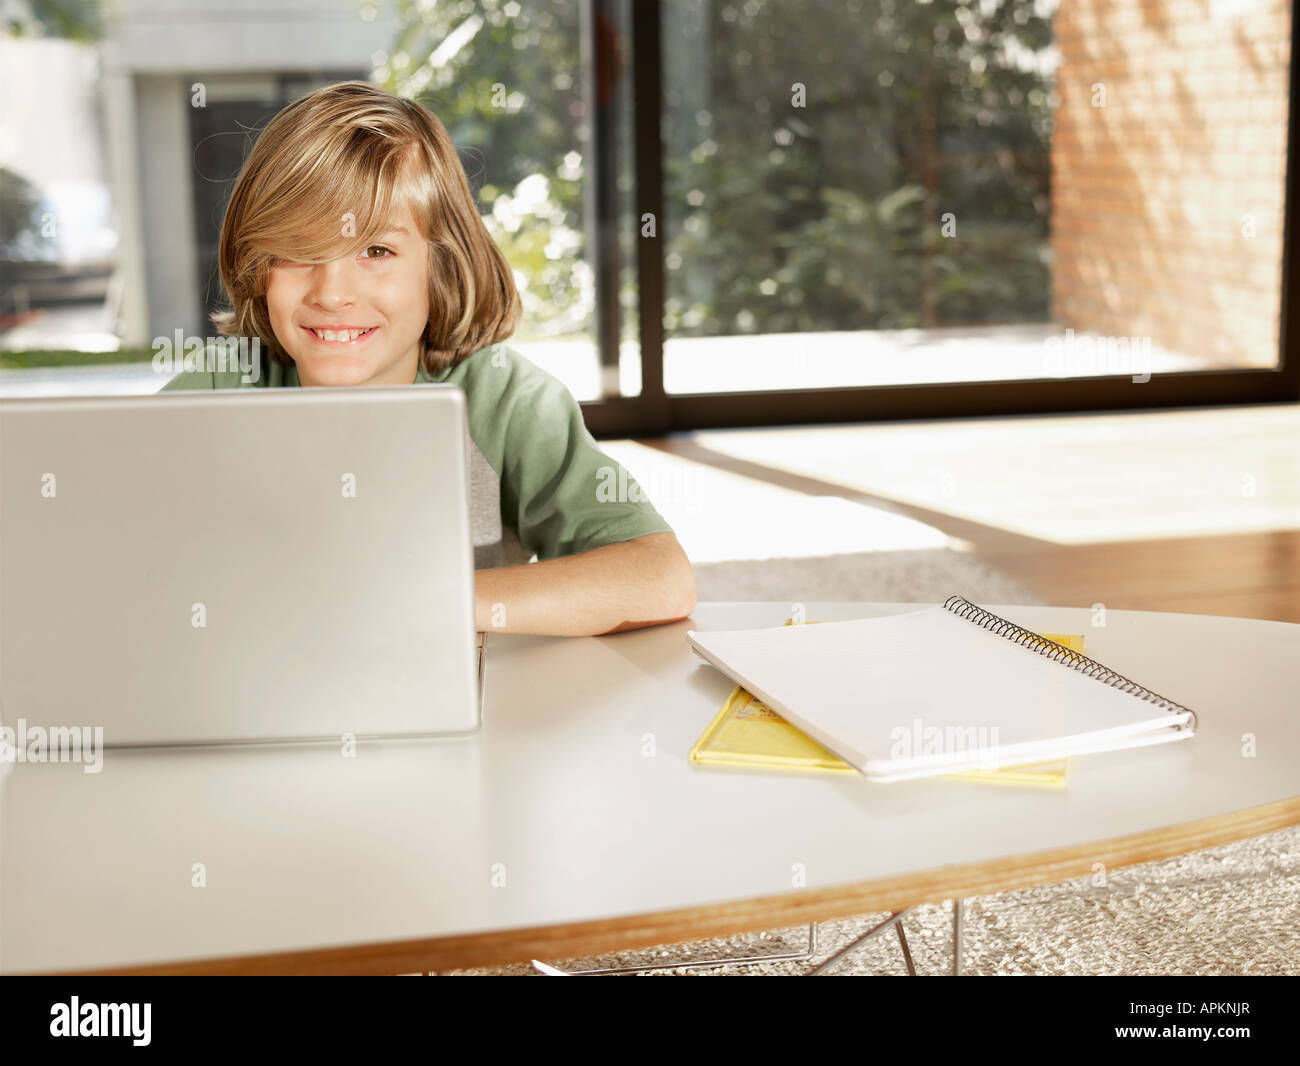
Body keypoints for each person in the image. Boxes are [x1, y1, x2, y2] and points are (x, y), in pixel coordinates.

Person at [160, 81, 694, 637]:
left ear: (438, 268)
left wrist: (423, 600)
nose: (332, 293)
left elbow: (662, 576)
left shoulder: (507, 402)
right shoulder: (219, 388)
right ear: (258, 265)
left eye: (376, 251)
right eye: (297, 251)